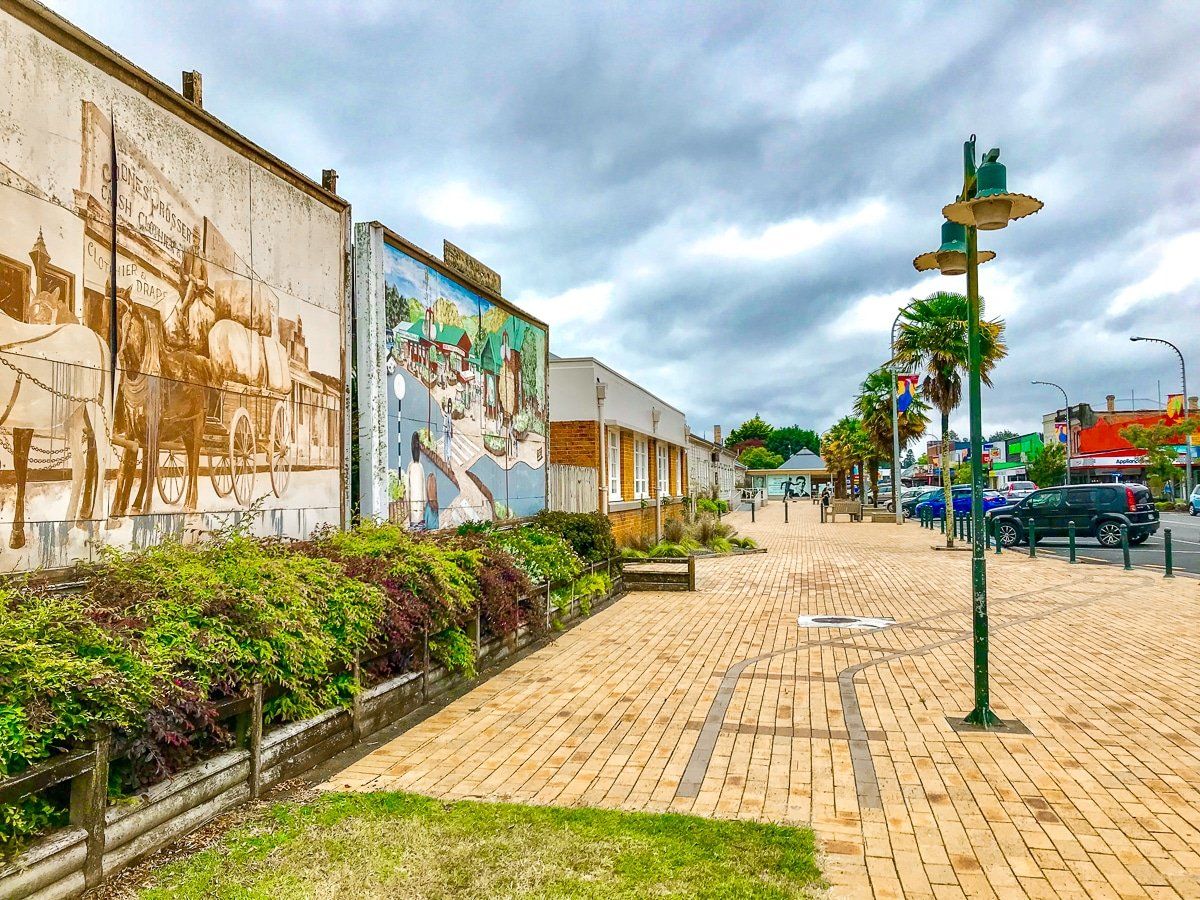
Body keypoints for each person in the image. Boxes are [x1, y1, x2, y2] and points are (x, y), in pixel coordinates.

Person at [406, 432, 426, 528]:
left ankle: (416, 525)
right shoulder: (415, 466)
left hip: (417, 499)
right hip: (416, 499)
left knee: (416, 512)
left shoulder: (415, 466)